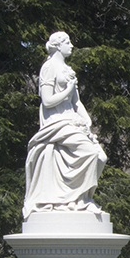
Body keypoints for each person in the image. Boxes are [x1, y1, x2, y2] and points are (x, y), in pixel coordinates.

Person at [23, 32, 107, 218]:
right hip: (57, 120)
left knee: (101, 157)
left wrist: (87, 120)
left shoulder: (68, 70)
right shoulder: (49, 67)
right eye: (67, 42)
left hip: (73, 119)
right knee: (90, 152)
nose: (71, 45)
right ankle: (78, 199)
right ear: (57, 46)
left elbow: (76, 102)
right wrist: (68, 90)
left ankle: (83, 198)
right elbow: (47, 100)